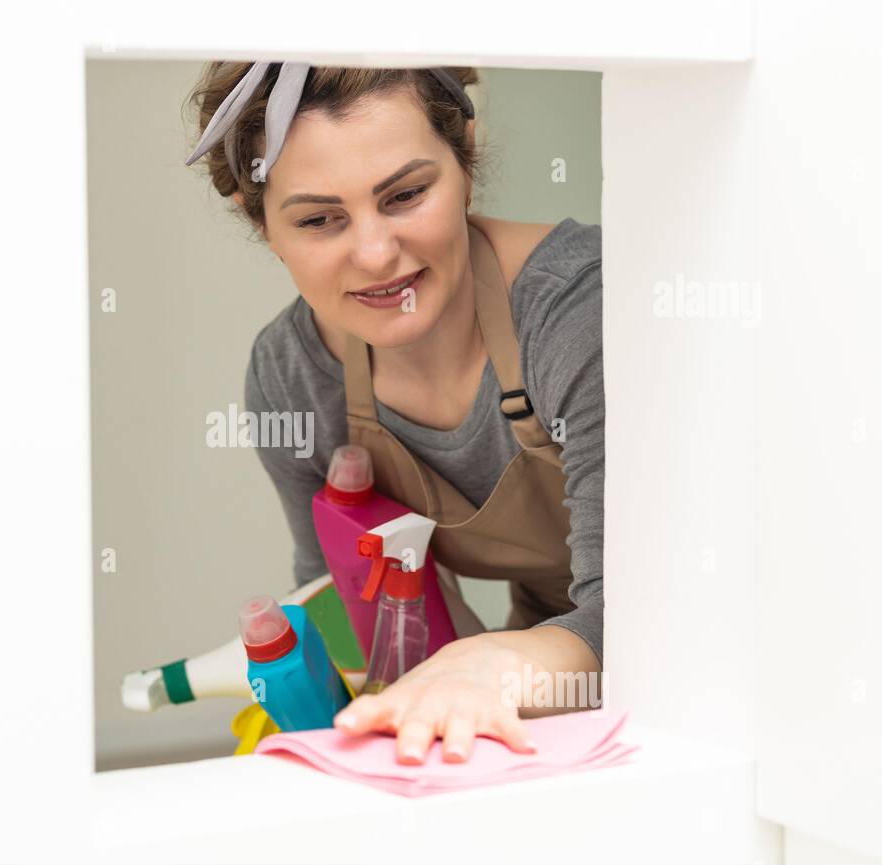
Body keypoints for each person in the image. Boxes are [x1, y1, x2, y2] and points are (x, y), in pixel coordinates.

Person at [185, 63, 604, 765]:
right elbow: (349, 612)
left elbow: (646, 620)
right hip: (537, 677)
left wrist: (479, 670)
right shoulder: (295, 379)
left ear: (465, 151)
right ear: (258, 222)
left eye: (407, 194)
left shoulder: (579, 317)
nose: (377, 255)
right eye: (320, 219)